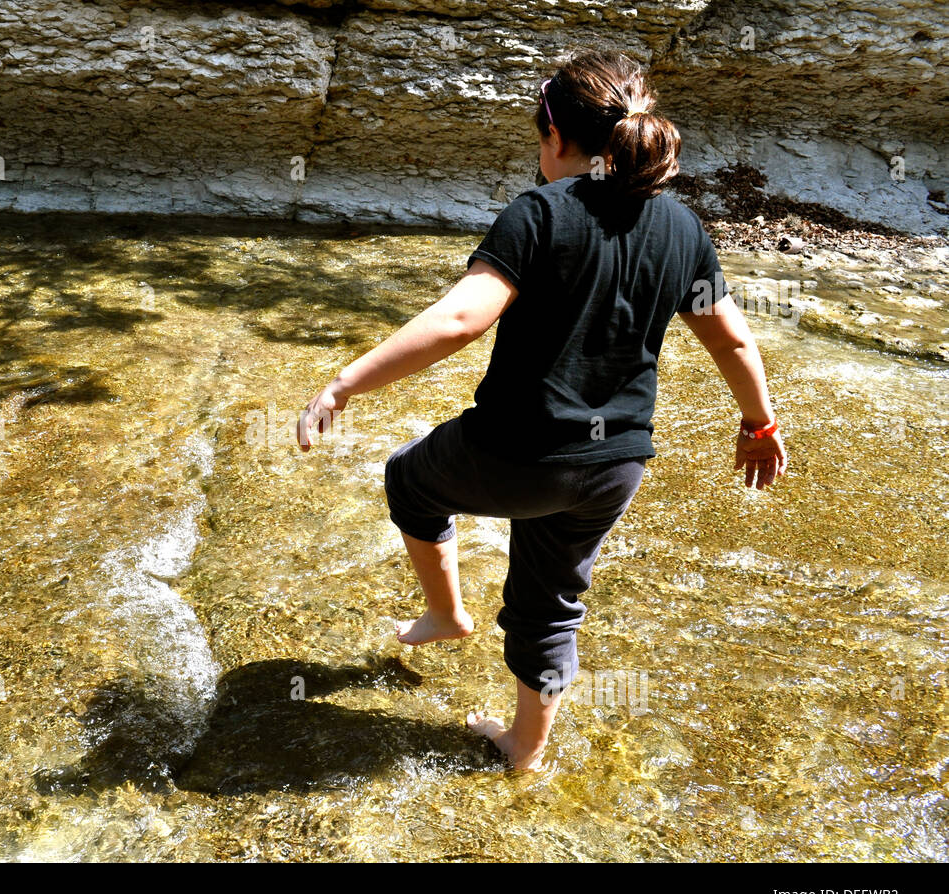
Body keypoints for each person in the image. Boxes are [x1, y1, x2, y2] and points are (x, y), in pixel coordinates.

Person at [296, 50, 788, 771]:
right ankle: (524, 749)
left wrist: (344, 384)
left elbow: (463, 319)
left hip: (515, 453)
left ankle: (447, 614)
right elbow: (733, 340)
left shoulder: (538, 213)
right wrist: (760, 424)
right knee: (550, 604)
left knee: (410, 476)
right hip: (615, 467)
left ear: (554, 137)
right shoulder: (681, 228)